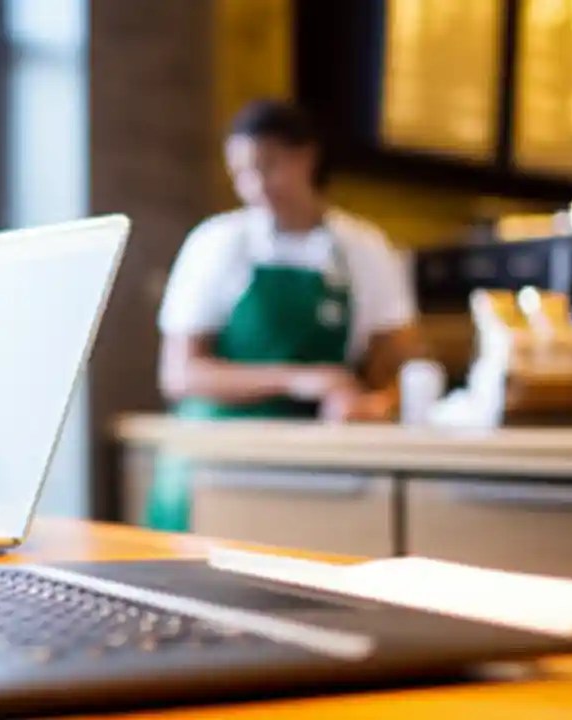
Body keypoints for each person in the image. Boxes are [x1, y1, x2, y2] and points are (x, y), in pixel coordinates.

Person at [148, 99, 423, 531]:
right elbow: (180, 375)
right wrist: (303, 378)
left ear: (306, 157)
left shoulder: (364, 248)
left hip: (317, 469)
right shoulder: (217, 243)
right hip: (215, 464)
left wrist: (375, 404)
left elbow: (401, 367)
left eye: (268, 167)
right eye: (241, 174)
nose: (256, 186)